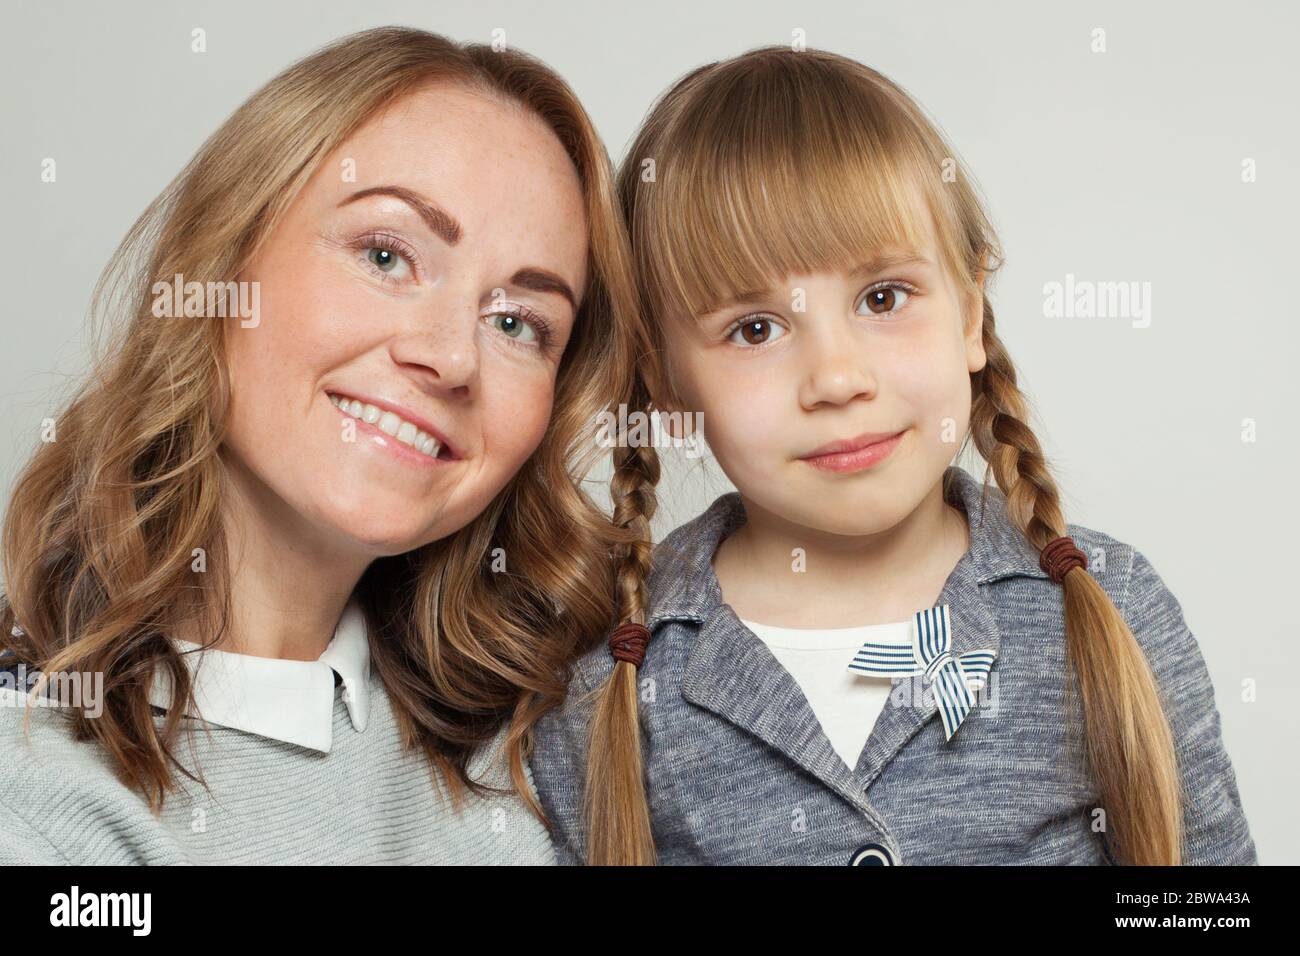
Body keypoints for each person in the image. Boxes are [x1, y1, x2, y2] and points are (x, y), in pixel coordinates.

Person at [529, 46, 1257, 866]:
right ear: (662, 379)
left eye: (883, 298)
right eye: (755, 328)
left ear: (972, 313)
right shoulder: (609, 670)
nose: (837, 379)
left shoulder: (1111, 605)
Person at [0, 26, 645, 864]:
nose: (450, 357)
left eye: (518, 323)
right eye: (386, 255)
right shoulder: (39, 795)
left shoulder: (555, 742)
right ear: (223, 259)